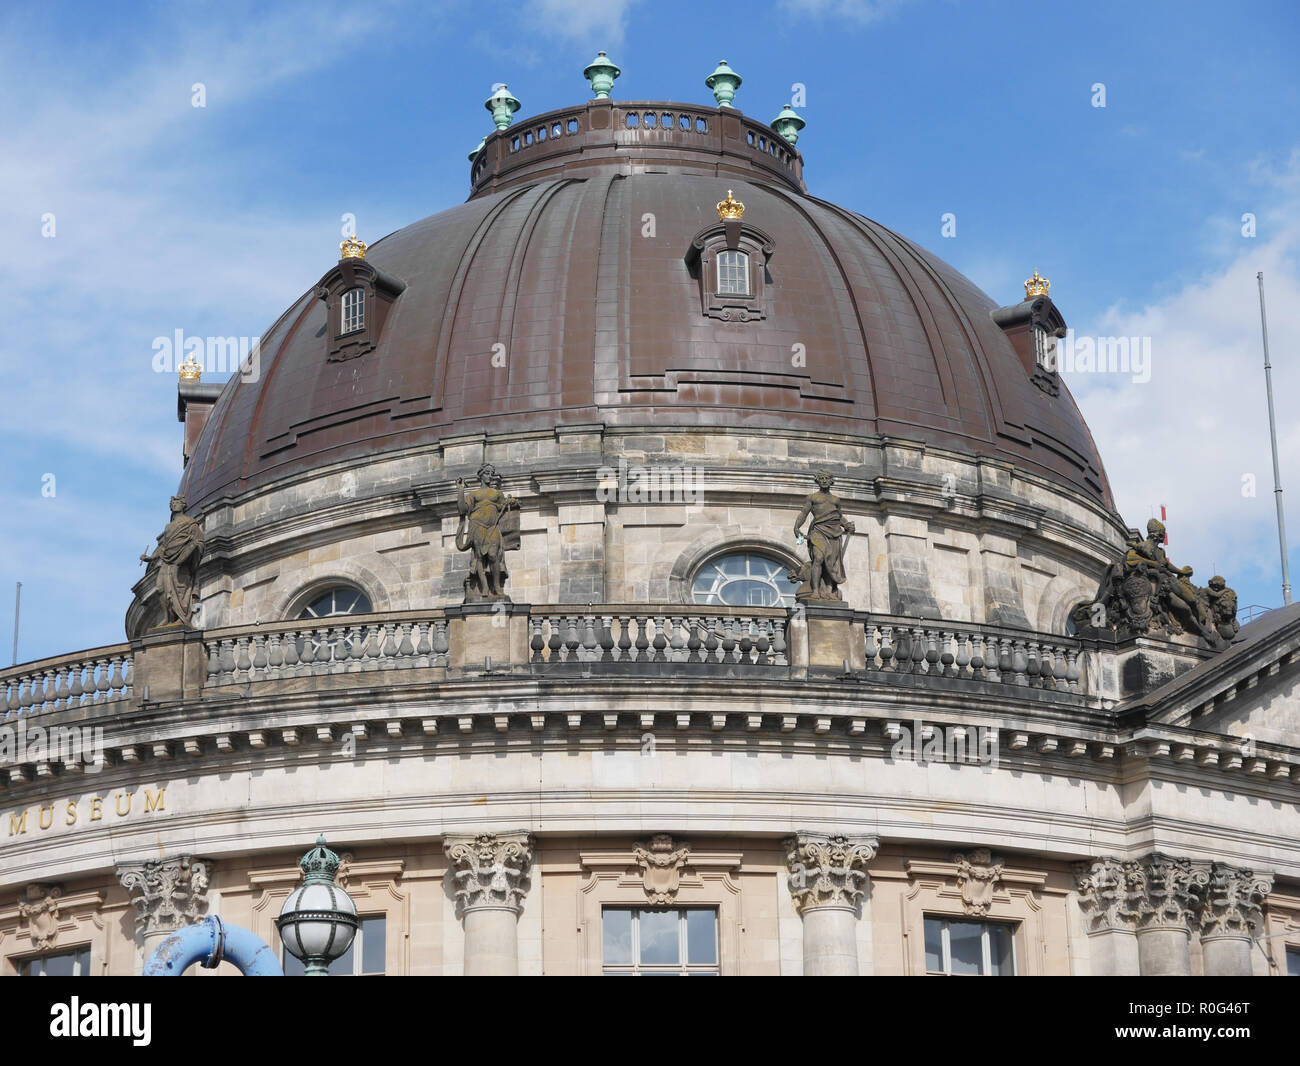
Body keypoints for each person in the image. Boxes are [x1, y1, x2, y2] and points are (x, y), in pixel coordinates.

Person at [140, 495, 204, 627]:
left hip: (181, 561)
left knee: (179, 587)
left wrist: (191, 549)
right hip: (168, 561)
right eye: (172, 503)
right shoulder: (169, 527)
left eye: (177, 503)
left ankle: (182, 617)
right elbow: (164, 547)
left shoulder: (190, 523)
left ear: (183, 505)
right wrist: (150, 558)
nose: (174, 505)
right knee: (161, 588)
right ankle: (168, 617)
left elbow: (199, 541)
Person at [791, 470, 854, 601]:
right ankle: (815, 590)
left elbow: (839, 516)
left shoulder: (835, 500)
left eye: (826, 478)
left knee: (830, 563)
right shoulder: (813, 497)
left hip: (834, 532)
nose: (824, 481)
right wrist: (797, 527)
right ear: (817, 481)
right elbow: (804, 513)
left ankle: (830, 591)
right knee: (818, 558)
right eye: (821, 478)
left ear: (831, 481)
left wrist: (847, 524)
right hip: (818, 531)